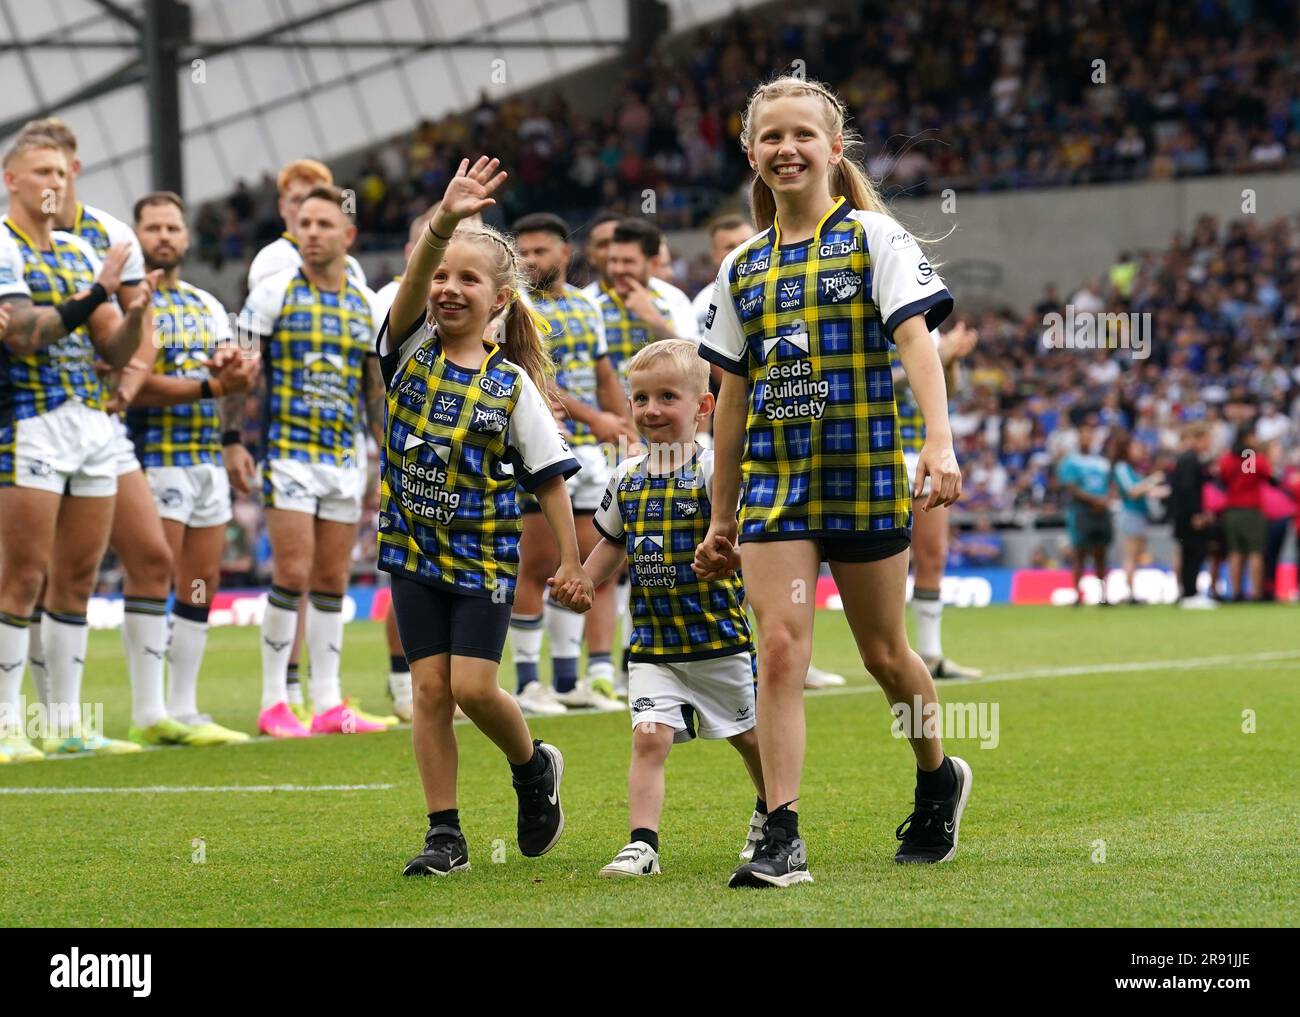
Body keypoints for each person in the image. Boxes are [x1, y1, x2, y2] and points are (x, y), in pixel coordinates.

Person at [695, 76, 972, 888]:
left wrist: (939, 443)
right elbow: (731, 402)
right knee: (778, 652)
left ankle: (936, 775)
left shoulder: (877, 241)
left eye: (802, 136)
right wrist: (721, 514)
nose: (787, 149)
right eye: (770, 137)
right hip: (778, 494)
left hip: (862, 479)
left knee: (888, 655)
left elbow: (918, 345)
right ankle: (780, 830)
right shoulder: (740, 267)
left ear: (833, 148)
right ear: (752, 152)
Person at [380, 156, 593, 876]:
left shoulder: (512, 387)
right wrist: (442, 222)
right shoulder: (406, 348)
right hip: (412, 550)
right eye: (442, 275)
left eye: (467, 280)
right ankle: (445, 833)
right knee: (429, 690)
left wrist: (569, 560)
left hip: (482, 558)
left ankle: (534, 768)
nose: (448, 288)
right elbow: (413, 280)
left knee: (473, 689)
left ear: (499, 299)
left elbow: (551, 480)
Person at [551, 340, 766, 876]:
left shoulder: (720, 473)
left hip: (718, 639)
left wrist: (732, 558)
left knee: (750, 739)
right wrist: (583, 580)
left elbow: (752, 548)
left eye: (667, 396)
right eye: (640, 398)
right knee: (649, 738)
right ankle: (642, 843)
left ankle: (772, 812)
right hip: (653, 646)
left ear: (703, 407)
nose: (650, 410)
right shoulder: (625, 478)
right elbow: (612, 545)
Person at [15, 118, 185, 747]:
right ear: (17, 175)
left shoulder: (104, 238)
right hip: (31, 416)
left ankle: (122, 714)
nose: (54, 180)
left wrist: (132, 361)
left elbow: (131, 334)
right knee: (28, 570)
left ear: (76, 167)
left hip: (97, 420)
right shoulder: (11, 242)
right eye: (41, 169)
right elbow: (22, 330)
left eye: (62, 167)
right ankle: (26, 720)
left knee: (136, 558)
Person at [234, 184, 388, 737]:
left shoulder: (367, 303)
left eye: (325, 224)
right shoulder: (272, 294)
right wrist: (232, 438)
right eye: (305, 224)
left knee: (332, 577)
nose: (314, 233)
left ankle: (327, 704)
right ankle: (274, 700)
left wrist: (389, 452)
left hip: (345, 459)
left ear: (348, 235)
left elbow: (373, 390)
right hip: (289, 455)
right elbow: (240, 374)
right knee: (292, 572)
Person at [127, 190, 260, 744]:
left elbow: (237, 381)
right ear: (136, 237)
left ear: (186, 237)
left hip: (205, 461)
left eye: (172, 228)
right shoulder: (130, 302)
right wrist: (211, 383)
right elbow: (133, 388)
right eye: (153, 227)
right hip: (153, 461)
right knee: (153, 577)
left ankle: (185, 707)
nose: (163, 236)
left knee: (200, 584)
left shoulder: (207, 304)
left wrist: (232, 423)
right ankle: (147, 708)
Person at [510, 211, 635, 714]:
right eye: (522, 252)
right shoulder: (516, 308)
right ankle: (525, 682)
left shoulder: (586, 306)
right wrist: (597, 418)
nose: (529, 260)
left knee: (584, 562)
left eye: (539, 251)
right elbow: (531, 376)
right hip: (540, 445)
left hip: (590, 451)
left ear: (565, 254)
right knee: (537, 563)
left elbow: (602, 371)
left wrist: (622, 424)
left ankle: (567, 680)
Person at [894, 319, 984, 677]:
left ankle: (931, 655)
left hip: (923, 455)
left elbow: (946, 391)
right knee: (888, 559)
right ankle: (893, 655)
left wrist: (949, 358)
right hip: (878, 454)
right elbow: (873, 384)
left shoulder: (923, 325)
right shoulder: (862, 316)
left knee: (933, 553)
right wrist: (936, 354)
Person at [1056, 412, 1114, 606]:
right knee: (1080, 553)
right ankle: (1077, 595)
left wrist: (1106, 500)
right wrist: (1095, 500)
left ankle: (1102, 595)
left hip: (1101, 511)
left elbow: (1110, 484)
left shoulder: (1102, 462)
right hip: (1082, 511)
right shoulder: (1070, 461)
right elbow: (1071, 487)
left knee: (1101, 554)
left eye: (1090, 434)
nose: (1087, 437)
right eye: (1084, 433)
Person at [1107, 431, 1169, 605]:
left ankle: (1132, 591)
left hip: (1139, 514)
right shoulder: (1122, 467)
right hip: (1131, 514)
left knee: (1136, 555)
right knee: (1131, 556)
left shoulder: (1131, 468)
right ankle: (1130, 593)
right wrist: (1153, 480)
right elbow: (1132, 491)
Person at [1218, 426, 1271, 601]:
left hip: (1232, 510)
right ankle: (1255, 592)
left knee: (1235, 552)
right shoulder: (1255, 458)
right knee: (1255, 552)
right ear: (1247, 438)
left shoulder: (1227, 458)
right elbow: (1267, 474)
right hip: (1252, 510)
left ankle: (1236, 592)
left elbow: (1223, 477)